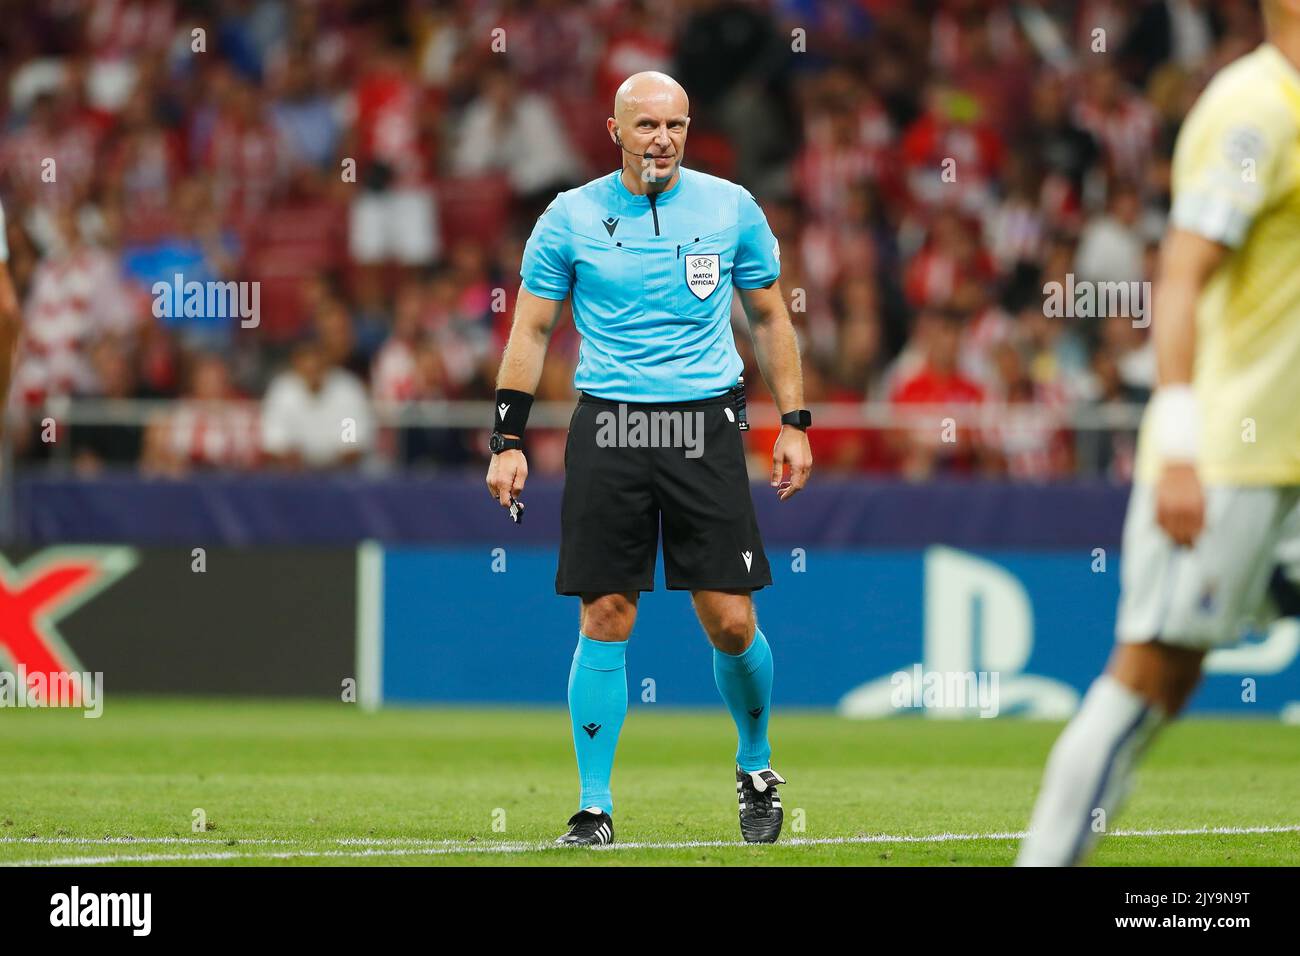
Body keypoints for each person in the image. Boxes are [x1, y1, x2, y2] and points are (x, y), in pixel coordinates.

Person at [485, 71, 812, 846]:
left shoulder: (731, 208)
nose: (661, 139)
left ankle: (756, 764)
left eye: (675, 125)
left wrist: (794, 422)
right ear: (615, 130)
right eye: (646, 126)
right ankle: (593, 807)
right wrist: (505, 439)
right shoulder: (569, 217)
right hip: (611, 425)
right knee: (605, 612)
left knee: (730, 622)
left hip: (704, 426)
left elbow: (768, 316)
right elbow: (530, 331)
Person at [1018, 2, 1300, 866]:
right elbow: (1179, 272)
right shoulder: (1255, 108)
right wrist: (1176, 442)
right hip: (1233, 457)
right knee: (1153, 678)